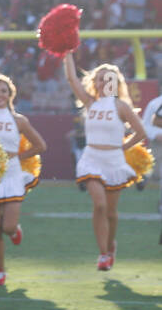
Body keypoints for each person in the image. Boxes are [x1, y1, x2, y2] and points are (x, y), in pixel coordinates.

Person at [63, 53, 148, 269]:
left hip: (113, 161)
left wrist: (123, 147)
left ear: (116, 83)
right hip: (91, 157)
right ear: (95, 82)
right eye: (100, 78)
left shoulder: (121, 106)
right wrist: (68, 53)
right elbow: (72, 79)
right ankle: (102, 254)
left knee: (110, 211)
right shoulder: (90, 103)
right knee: (99, 205)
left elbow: (140, 132)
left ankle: (111, 246)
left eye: (109, 78)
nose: (104, 82)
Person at [0, 74, 46, 286]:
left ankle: (15, 230)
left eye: (3, 91)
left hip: (12, 175)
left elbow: (40, 146)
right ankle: (0, 270)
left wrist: (17, 156)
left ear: (10, 94)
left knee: (7, 227)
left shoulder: (19, 120)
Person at [141, 90, 162, 244]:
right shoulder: (155, 104)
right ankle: (144, 177)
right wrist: (156, 134)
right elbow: (145, 125)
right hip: (158, 144)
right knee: (157, 172)